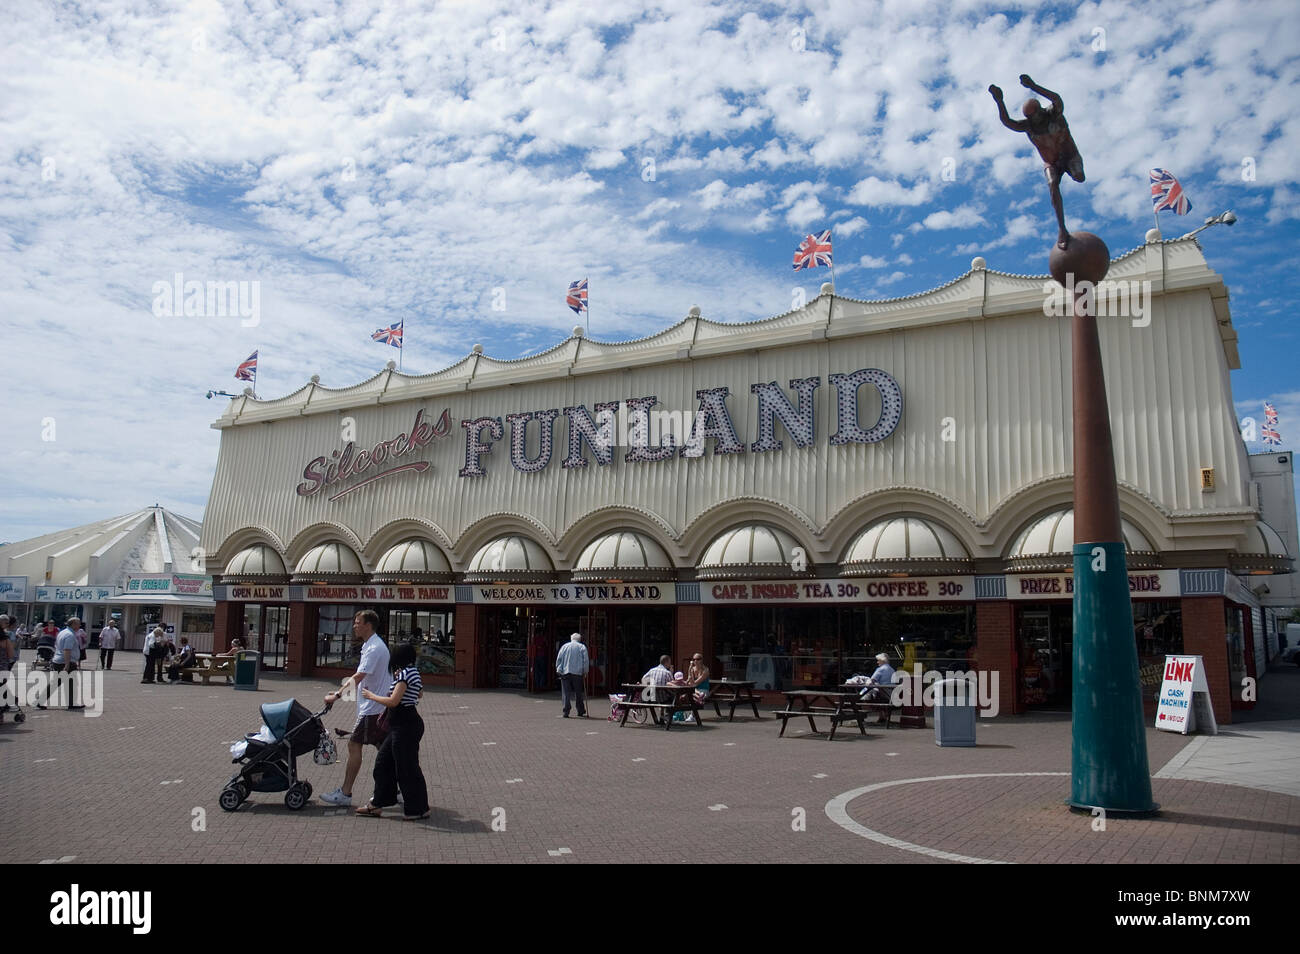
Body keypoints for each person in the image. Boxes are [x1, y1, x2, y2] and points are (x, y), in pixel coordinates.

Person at [989, 74, 1085, 250]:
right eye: (1031, 117)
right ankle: (1062, 229)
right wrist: (999, 101)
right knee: (1052, 185)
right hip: (1052, 162)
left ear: (1041, 111)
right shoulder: (1028, 126)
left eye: (1036, 115)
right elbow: (1008, 122)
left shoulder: (1054, 113)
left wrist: (1034, 86)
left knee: (1079, 177)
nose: (1035, 120)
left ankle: (1073, 172)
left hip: (1069, 155)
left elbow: (1056, 98)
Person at [319, 610, 391, 807]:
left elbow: (358, 676)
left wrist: (336, 695)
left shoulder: (374, 647)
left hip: (373, 708)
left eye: (358, 622)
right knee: (387, 750)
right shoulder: (370, 645)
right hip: (375, 707)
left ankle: (345, 793)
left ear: (368, 625)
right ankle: (399, 789)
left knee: (353, 745)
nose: (354, 626)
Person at [355, 643, 430, 820]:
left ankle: (418, 809)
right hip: (404, 723)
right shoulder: (412, 672)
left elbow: (393, 701)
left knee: (406, 767)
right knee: (384, 762)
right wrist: (400, 681)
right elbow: (418, 694)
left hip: (404, 724)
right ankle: (378, 803)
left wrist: (371, 696)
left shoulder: (405, 674)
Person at [42, 617, 84, 710]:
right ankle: (40, 700)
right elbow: (67, 650)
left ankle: (71, 703)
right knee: (63, 682)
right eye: (78, 623)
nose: (79, 625)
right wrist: (67, 664)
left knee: (63, 683)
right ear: (73, 624)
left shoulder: (63, 632)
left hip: (59, 660)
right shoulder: (69, 635)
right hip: (64, 661)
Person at [555, 632, 589, 718]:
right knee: (578, 692)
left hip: (565, 671)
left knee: (566, 693)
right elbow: (585, 661)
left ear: (571, 638)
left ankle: (566, 711)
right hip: (577, 672)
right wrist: (585, 671)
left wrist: (558, 669)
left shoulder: (565, 646)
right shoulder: (582, 647)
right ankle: (580, 710)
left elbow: (559, 658)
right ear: (579, 639)